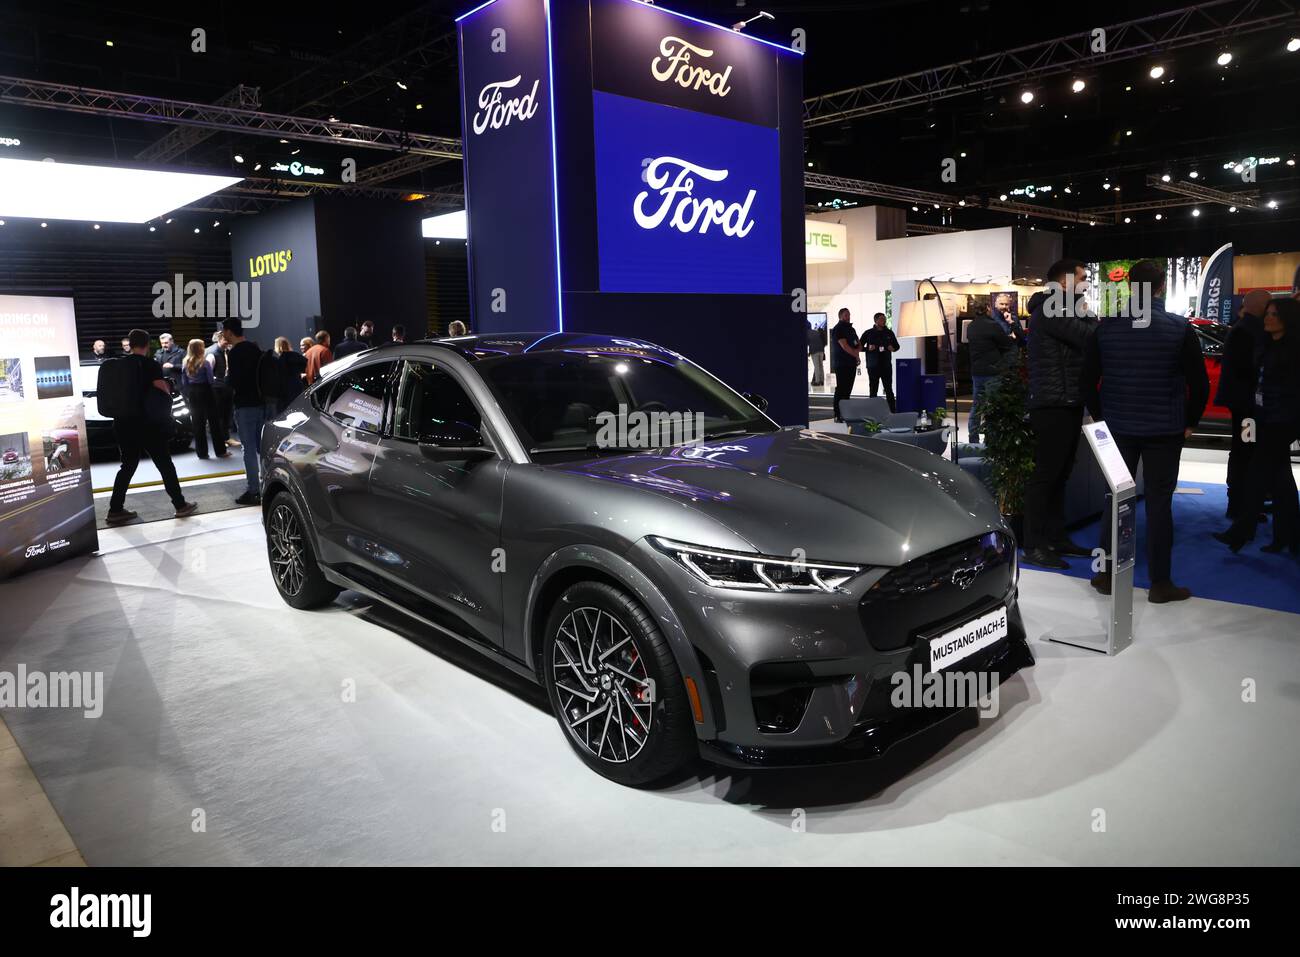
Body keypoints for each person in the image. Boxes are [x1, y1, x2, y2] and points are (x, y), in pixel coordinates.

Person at [1081, 259, 1210, 603]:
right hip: (1165, 430)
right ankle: (1160, 583)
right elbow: (1199, 384)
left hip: (1119, 427)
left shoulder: (1105, 328)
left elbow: (1087, 380)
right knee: (1159, 503)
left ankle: (1106, 574)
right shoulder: (1179, 327)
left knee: (1116, 499)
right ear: (1162, 286)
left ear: (1128, 287)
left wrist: (1102, 415)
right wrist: (1191, 421)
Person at [1022, 258, 1097, 568]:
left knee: (1060, 475)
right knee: (1045, 477)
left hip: (1065, 401)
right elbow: (1091, 336)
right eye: (1082, 278)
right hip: (1052, 404)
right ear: (1064, 283)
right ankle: (1034, 544)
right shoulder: (1053, 308)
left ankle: (1056, 537)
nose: (1086, 283)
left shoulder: (1061, 308)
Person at [1213, 298, 1300, 554]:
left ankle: (1241, 531)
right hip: (1260, 417)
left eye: (1274, 314)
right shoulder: (1265, 344)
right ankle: (1286, 537)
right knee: (1281, 480)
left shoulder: (1293, 351)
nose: (1268, 318)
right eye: (1267, 313)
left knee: (1256, 474)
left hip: (1280, 422)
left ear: (1287, 318)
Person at [105, 329, 197, 525]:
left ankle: (115, 509)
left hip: (123, 423)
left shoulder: (118, 365)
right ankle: (180, 505)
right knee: (164, 464)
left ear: (129, 344)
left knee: (127, 466)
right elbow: (161, 388)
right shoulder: (150, 364)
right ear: (147, 345)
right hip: (147, 424)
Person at [1216, 289, 1272, 522]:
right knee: (1245, 452)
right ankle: (1240, 503)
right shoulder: (1250, 331)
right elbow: (1250, 369)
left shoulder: (1242, 328)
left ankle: (1242, 501)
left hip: (1244, 405)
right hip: (1248, 406)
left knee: (1244, 451)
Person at [222, 319, 265, 506]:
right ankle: (267, 485)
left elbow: (234, 382)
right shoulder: (255, 348)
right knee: (262, 448)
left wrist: (226, 378)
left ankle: (254, 490)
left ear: (230, 332)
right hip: (262, 403)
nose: (223, 335)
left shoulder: (235, 352)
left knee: (248, 449)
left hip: (245, 405)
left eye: (224, 331)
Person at [967, 304, 1017, 443]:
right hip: (992, 371)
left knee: (977, 404)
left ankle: (973, 436)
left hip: (977, 372)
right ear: (988, 309)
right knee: (993, 406)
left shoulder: (971, 326)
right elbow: (1006, 344)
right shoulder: (992, 325)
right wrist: (1012, 336)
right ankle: (991, 438)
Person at [181, 338, 229, 460]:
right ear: (199, 349)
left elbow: (184, 382)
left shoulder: (185, 362)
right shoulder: (205, 363)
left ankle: (202, 453)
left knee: (198, 423)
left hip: (192, 393)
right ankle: (220, 451)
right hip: (206, 391)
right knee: (214, 422)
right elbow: (211, 380)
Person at [859, 312, 900, 412]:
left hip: (886, 365)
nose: (884, 320)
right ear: (876, 321)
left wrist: (892, 348)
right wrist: (868, 348)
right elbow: (859, 347)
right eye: (881, 319)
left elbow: (897, 346)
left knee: (888, 389)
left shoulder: (889, 333)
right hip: (873, 366)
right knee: (873, 389)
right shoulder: (868, 333)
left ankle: (892, 410)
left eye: (884, 318)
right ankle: (872, 411)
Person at [261, 336, 308, 413]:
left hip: (285, 393)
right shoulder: (296, 357)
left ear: (277, 346)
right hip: (297, 389)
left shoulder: (279, 361)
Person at [829, 307, 860, 422]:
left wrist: (857, 354)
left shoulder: (851, 329)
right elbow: (845, 346)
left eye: (849, 314)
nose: (848, 316)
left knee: (848, 389)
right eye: (846, 315)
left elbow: (858, 343)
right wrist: (855, 354)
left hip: (851, 363)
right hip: (842, 363)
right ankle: (837, 414)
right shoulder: (838, 329)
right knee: (841, 389)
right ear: (841, 316)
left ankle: (845, 413)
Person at [206, 329, 234, 450]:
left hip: (224, 388)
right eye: (225, 340)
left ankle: (226, 438)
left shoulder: (223, 351)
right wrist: (215, 381)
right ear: (219, 339)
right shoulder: (212, 352)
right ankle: (221, 440)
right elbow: (207, 372)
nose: (227, 342)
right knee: (219, 416)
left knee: (226, 414)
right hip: (217, 389)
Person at [806, 321, 826, 387]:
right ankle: (822, 381)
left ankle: (817, 381)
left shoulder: (806, 333)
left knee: (816, 366)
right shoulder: (816, 332)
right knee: (821, 366)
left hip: (814, 351)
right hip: (821, 350)